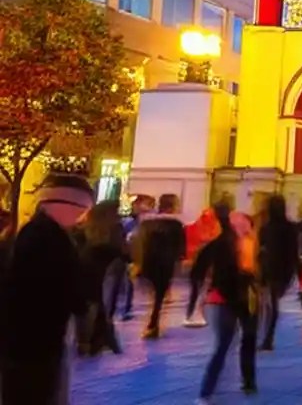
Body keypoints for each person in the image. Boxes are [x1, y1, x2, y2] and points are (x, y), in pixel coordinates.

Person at [0, 173, 95, 404]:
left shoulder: (29, 232)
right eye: (81, 209)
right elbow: (65, 285)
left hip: (23, 337)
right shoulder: (49, 238)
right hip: (36, 338)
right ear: (65, 206)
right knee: (35, 392)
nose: (82, 218)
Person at [193, 205, 259, 403]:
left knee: (248, 339)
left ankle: (248, 381)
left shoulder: (254, 243)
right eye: (241, 222)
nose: (245, 225)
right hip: (226, 298)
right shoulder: (222, 244)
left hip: (247, 297)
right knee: (223, 345)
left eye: (247, 222)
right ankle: (206, 392)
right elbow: (203, 268)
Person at [74, 200, 125, 356]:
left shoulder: (84, 233)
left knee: (92, 308)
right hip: (101, 278)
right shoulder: (114, 232)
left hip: (88, 278)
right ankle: (97, 341)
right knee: (99, 309)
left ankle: (90, 342)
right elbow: (123, 252)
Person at [133, 193, 187, 339]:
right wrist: (180, 260)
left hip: (148, 261)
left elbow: (138, 242)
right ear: (173, 206)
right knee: (159, 295)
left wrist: (138, 262)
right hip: (165, 262)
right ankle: (153, 323)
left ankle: (151, 322)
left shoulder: (146, 223)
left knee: (150, 294)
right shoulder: (176, 225)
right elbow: (180, 246)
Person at [256, 194, 298, 351]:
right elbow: (293, 252)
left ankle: (265, 337)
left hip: (268, 269)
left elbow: (261, 249)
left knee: (266, 305)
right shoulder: (290, 228)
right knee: (272, 305)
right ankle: (268, 337)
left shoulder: (266, 228)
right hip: (281, 270)